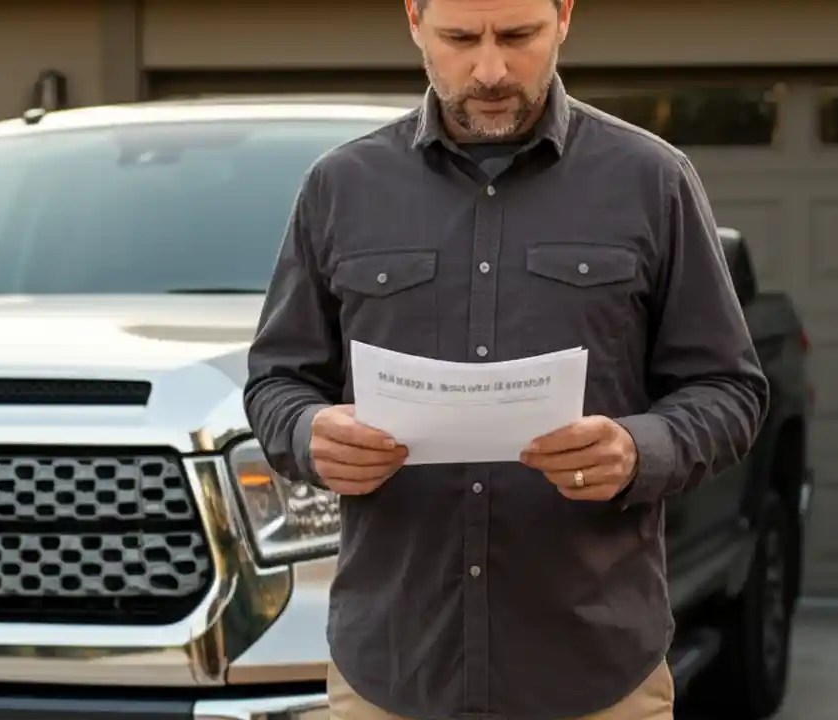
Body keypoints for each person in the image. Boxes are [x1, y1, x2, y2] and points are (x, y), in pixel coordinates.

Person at [243, 0, 770, 717]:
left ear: (564, 17)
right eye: (460, 38)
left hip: (595, 672)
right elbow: (278, 380)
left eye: (517, 35)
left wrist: (638, 449)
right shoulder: (341, 188)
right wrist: (308, 434)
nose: (489, 69)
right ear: (414, 23)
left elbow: (728, 389)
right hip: (395, 671)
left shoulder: (652, 180)